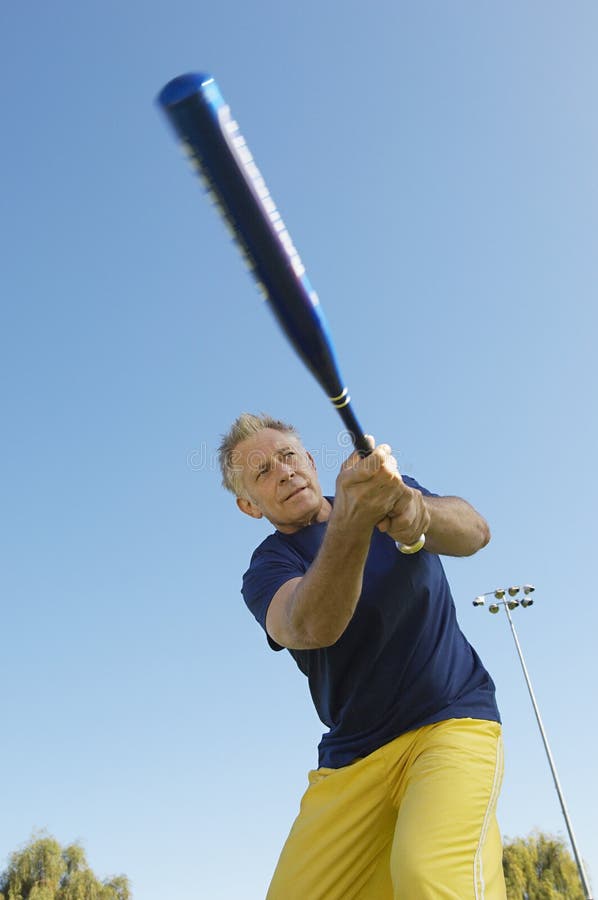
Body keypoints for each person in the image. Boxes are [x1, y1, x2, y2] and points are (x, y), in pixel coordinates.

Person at [218, 412, 506, 900]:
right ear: (249, 506)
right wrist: (353, 518)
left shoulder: (383, 491)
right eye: (262, 471)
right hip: (351, 760)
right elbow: (312, 624)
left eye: (288, 456)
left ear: (309, 461)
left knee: (428, 877)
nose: (283, 471)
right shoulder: (267, 568)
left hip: (450, 723)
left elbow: (476, 531)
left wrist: (417, 511)